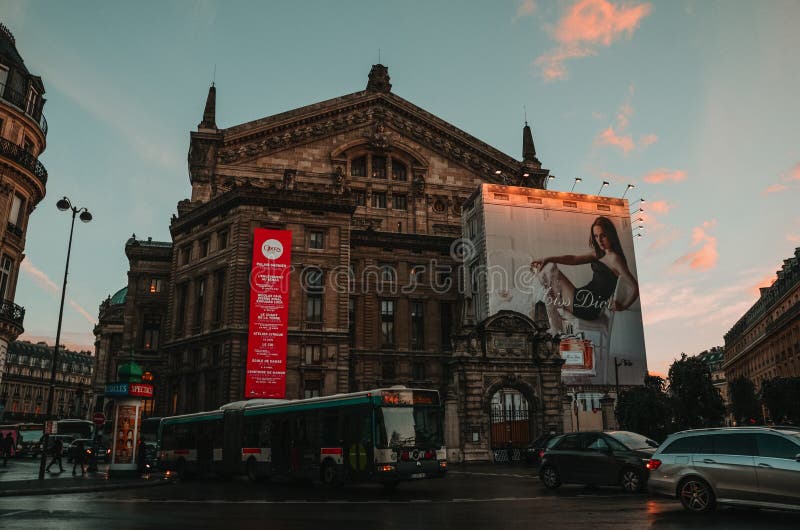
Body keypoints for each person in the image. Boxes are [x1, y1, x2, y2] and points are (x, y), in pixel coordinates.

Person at [531, 216, 639, 334]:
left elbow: (635, 287)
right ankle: (553, 326)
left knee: (549, 269)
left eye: (603, 235)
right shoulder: (599, 254)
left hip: (588, 307)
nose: (599, 240)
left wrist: (623, 306)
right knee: (548, 270)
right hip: (582, 299)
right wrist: (547, 258)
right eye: (596, 236)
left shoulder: (615, 259)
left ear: (611, 235)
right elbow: (573, 259)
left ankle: (552, 328)